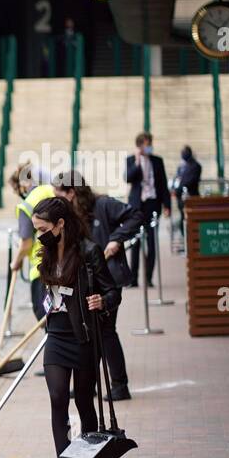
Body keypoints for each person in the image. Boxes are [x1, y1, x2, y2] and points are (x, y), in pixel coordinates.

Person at [30, 196, 121, 458]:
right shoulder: (44, 251)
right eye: (35, 228)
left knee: (83, 399)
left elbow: (112, 291)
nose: (38, 234)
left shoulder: (89, 251)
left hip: (82, 336)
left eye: (43, 228)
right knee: (58, 397)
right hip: (56, 335)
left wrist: (102, 300)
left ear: (60, 225)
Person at [51, 170, 142, 402]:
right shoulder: (71, 214)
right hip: (87, 279)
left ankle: (120, 385)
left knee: (106, 331)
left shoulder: (103, 204)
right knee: (90, 332)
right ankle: (88, 383)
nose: (57, 198)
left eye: (59, 193)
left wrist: (116, 239)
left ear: (71, 192)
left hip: (109, 277)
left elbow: (135, 215)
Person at [124, 131, 170, 287]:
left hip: (152, 204)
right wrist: (137, 161)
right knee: (135, 242)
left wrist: (167, 205)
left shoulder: (157, 161)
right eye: (146, 144)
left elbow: (163, 184)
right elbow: (128, 178)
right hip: (137, 206)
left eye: (150, 143)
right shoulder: (131, 160)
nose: (149, 146)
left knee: (152, 242)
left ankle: (149, 278)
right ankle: (133, 279)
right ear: (139, 146)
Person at [10, 162, 53, 320]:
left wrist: (16, 261)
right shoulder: (51, 190)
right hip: (66, 263)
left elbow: (26, 244)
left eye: (17, 189)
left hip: (42, 267)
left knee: (42, 315)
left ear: (23, 184)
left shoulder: (27, 205)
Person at [173, 145, 203, 249]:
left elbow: (190, 181)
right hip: (181, 198)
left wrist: (180, 188)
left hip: (191, 197)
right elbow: (177, 179)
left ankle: (193, 245)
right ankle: (185, 244)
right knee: (182, 219)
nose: (183, 154)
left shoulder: (195, 166)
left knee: (192, 221)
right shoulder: (181, 166)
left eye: (184, 152)